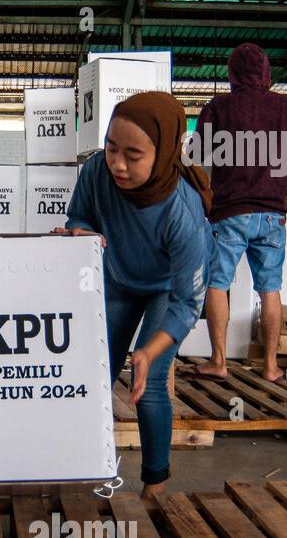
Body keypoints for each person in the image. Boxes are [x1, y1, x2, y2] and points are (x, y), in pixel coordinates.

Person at [55, 91, 211, 500]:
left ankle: (155, 483)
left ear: (162, 154)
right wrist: (79, 230)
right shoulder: (95, 173)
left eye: (133, 155)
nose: (118, 164)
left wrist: (151, 349)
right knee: (94, 378)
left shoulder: (184, 213)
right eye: (111, 148)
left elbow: (187, 302)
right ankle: (85, 467)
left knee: (150, 383)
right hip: (119, 279)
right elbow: (79, 214)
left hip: (165, 292)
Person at [187, 43, 287, 384]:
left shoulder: (219, 107)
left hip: (230, 213)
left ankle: (219, 361)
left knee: (217, 284)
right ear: (266, 71)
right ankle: (270, 367)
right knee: (269, 290)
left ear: (232, 73)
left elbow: (196, 152)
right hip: (272, 215)